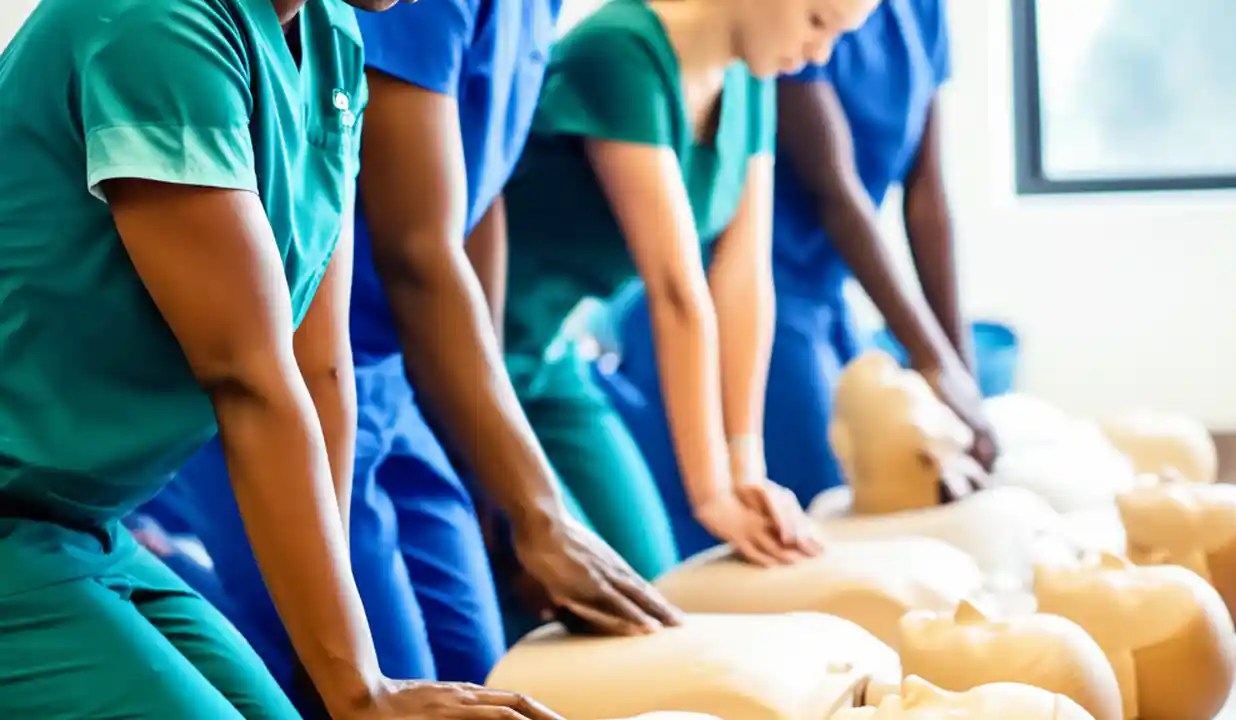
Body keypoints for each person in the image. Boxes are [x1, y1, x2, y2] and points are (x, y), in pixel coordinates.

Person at [0, 0, 562, 718]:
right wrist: (360, 689)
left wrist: (345, 664)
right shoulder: (152, 21)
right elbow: (249, 377)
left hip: (84, 524)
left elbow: (320, 364)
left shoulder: (333, 39)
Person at [164, 0, 680, 703]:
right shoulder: (393, 12)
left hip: (380, 374)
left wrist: (491, 466)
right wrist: (537, 512)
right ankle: (171, 572)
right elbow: (416, 253)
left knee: (479, 663)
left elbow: (479, 199)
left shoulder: (499, 16)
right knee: (355, 666)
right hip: (272, 379)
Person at [500, 0, 878, 578]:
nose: (820, 54)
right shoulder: (620, 51)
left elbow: (743, 276)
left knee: (649, 581)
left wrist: (745, 465)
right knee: (571, 592)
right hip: (474, 366)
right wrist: (711, 494)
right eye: (817, 22)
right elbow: (676, 290)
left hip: (550, 362)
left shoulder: (752, 77)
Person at [607, 0, 998, 557]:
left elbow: (927, 197)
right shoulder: (796, 23)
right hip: (741, 297)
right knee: (798, 526)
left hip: (826, 292)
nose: (823, 42)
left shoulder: (921, 13)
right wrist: (933, 361)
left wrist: (960, 374)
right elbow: (836, 194)